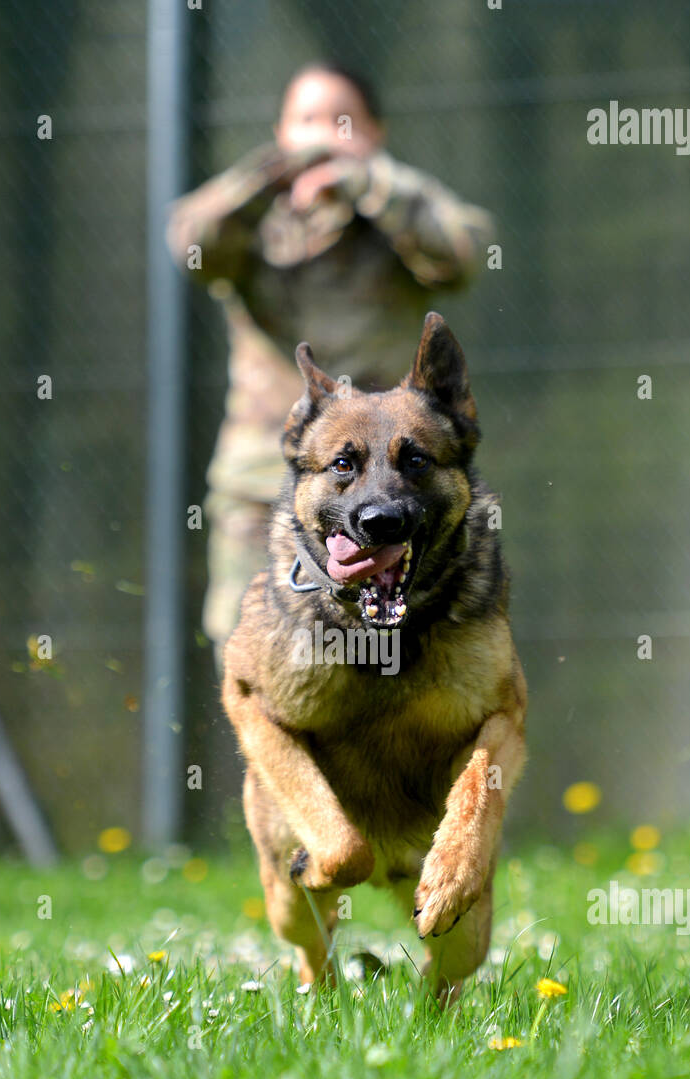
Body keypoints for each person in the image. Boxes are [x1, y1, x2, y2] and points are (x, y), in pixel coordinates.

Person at [167, 62, 493, 667]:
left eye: (342, 121)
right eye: (307, 121)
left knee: (390, 661)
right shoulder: (255, 223)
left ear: (375, 133)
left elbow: (463, 254)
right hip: (261, 479)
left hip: (387, 495)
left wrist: (370, 184)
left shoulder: (399, 219)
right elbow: (193, 243)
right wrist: (271, 175)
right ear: (280, 133)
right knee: (253, 660)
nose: (323, 135)